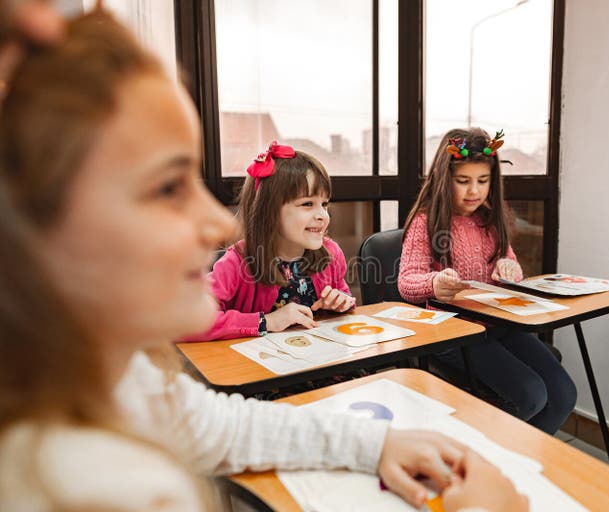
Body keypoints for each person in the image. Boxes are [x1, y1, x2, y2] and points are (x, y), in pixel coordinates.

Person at [0, 8, 471, 510]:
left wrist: (375, 443)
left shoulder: (123, 379)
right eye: (168, 187)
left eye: (324, 204)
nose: (220, 225)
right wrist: (264, 322)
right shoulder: (77, 483)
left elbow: (223, 425)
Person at [398, 127, 577, 434]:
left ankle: (522, 454)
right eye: (463, 181)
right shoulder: (425, 221)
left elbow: (511, 265)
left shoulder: (490, 218)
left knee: (563, 395)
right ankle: (482, 448)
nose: (474, 191)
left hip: (499, 324)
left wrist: (509, 268)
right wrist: (435, 283)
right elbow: (407, 280)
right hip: (454, 332)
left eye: (483, 181)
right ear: (444, 179)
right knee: (531, 395)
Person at [188, 144, 356, 341]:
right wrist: (266, 321)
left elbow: (343, 295)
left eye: (324, 204)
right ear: (270, 211)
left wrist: (341, 302)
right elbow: (188, 320)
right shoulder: (237, 262)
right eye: (307, 204)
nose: (322, 216)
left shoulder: (330, 253)